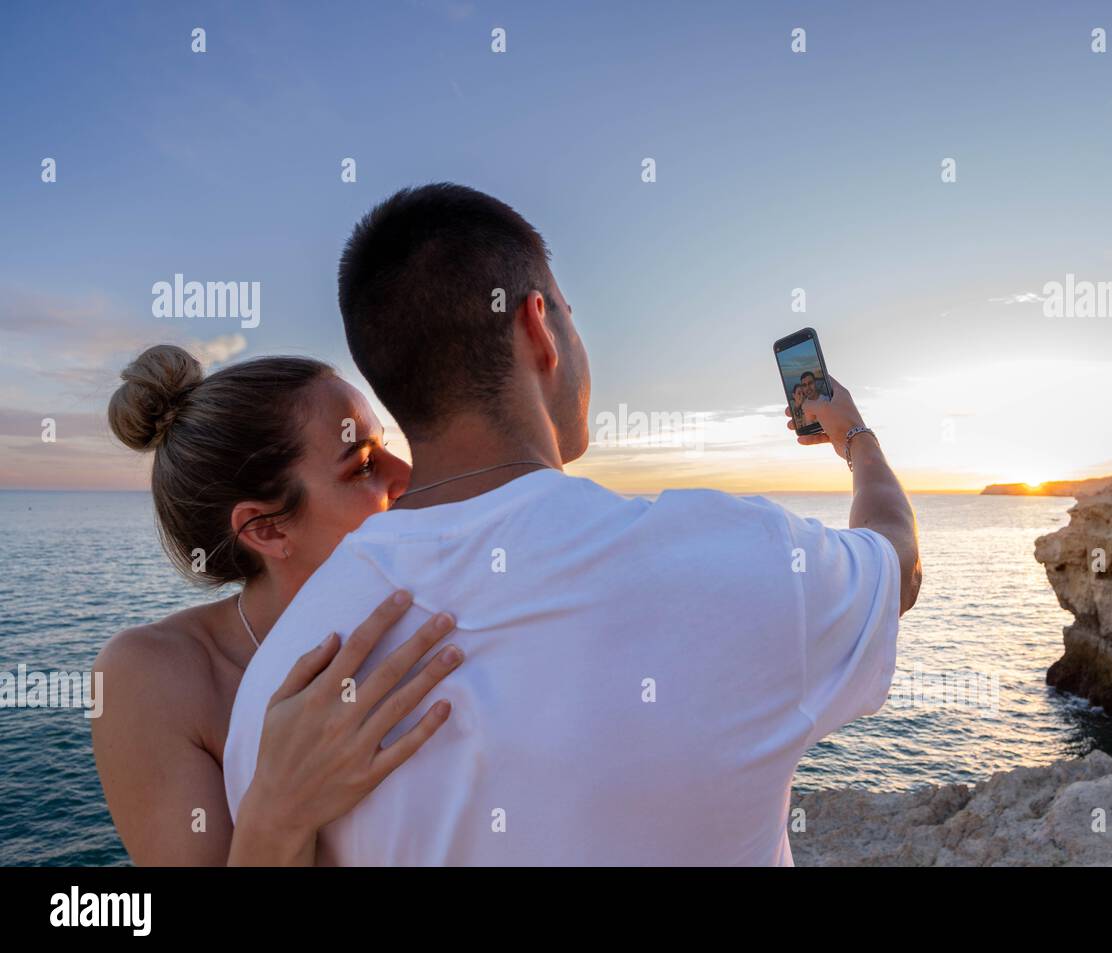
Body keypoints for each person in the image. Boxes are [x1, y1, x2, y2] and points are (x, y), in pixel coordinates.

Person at [223, 182, 922, 865]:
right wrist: (853, 435)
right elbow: (898, 564)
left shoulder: (280, 699)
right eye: (569, 311)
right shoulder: (745, 555)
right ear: (537, 327)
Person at [93, 345, 465, 865]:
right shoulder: (153, 675)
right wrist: (282, 806)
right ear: (266, 529)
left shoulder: (434, 619)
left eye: (387, 448)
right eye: (362, 467)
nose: (406, 474)